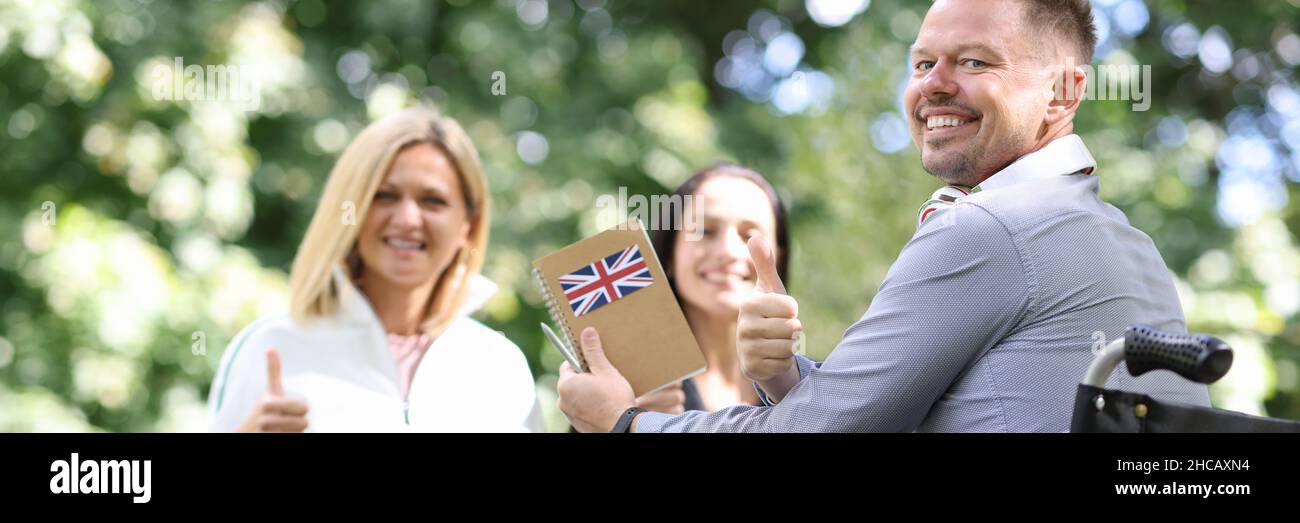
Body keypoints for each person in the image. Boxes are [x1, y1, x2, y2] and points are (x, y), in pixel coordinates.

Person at [556, 0, 1210, 433]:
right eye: (923, 62)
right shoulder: (1130, 241)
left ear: (1064, 90)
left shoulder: (991, 227)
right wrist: (786, 373)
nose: (934, 84)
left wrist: (626, 422)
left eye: (974, 61)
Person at [208, 107, 542, 432]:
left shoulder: (501, 367)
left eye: (433, 201)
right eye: (384, 196)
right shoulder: (270, 346)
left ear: (467, 226)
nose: (408, 219)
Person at [634, 164, 792, 414]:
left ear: (779, 258)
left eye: (749, 235)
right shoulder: (631, 387)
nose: (728, 252)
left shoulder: (815, 389)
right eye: (705, 231)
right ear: (670, 254)